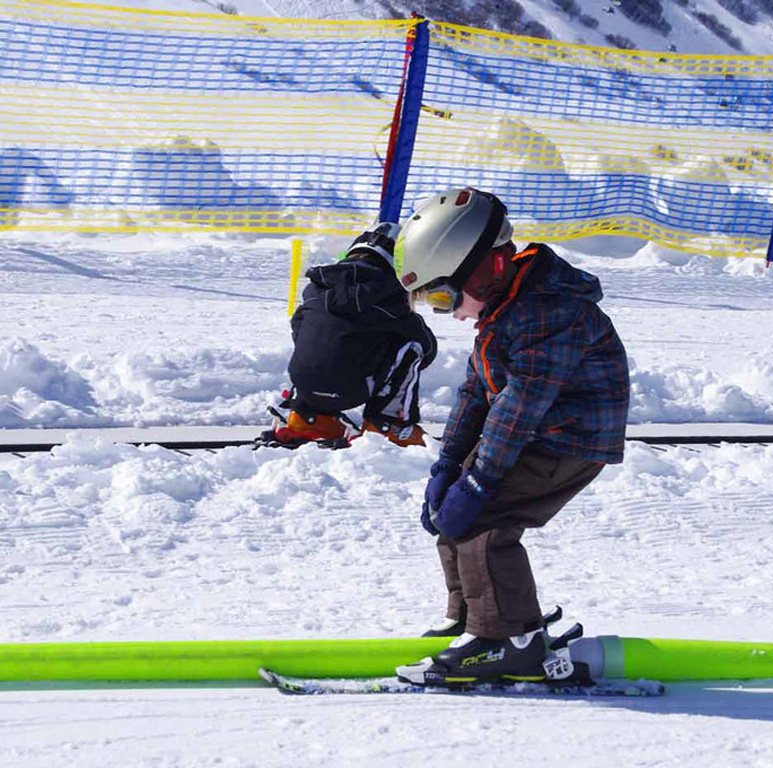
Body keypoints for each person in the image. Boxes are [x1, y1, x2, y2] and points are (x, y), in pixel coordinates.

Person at [391, 187, 629, 685]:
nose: (446, 312)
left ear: (481, 270)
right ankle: (473, 618)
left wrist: (477, 484)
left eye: (442, 296)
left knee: (486, 515)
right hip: (536, 430)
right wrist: (448, 466)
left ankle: (506, 639)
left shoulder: (549, 312)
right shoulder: (506, 309)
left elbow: (520, 407)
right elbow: (477, 392)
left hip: (570, 438)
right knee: (455, 504)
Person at [262, 221, 437, 449]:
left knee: (318, 337)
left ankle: (308, 417)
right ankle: (388, 422)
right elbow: (427, 346)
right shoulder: (391, 296)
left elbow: (298, 326)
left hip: (304, 383)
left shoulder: (316, 289)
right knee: (412, 347)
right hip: (353, 389)